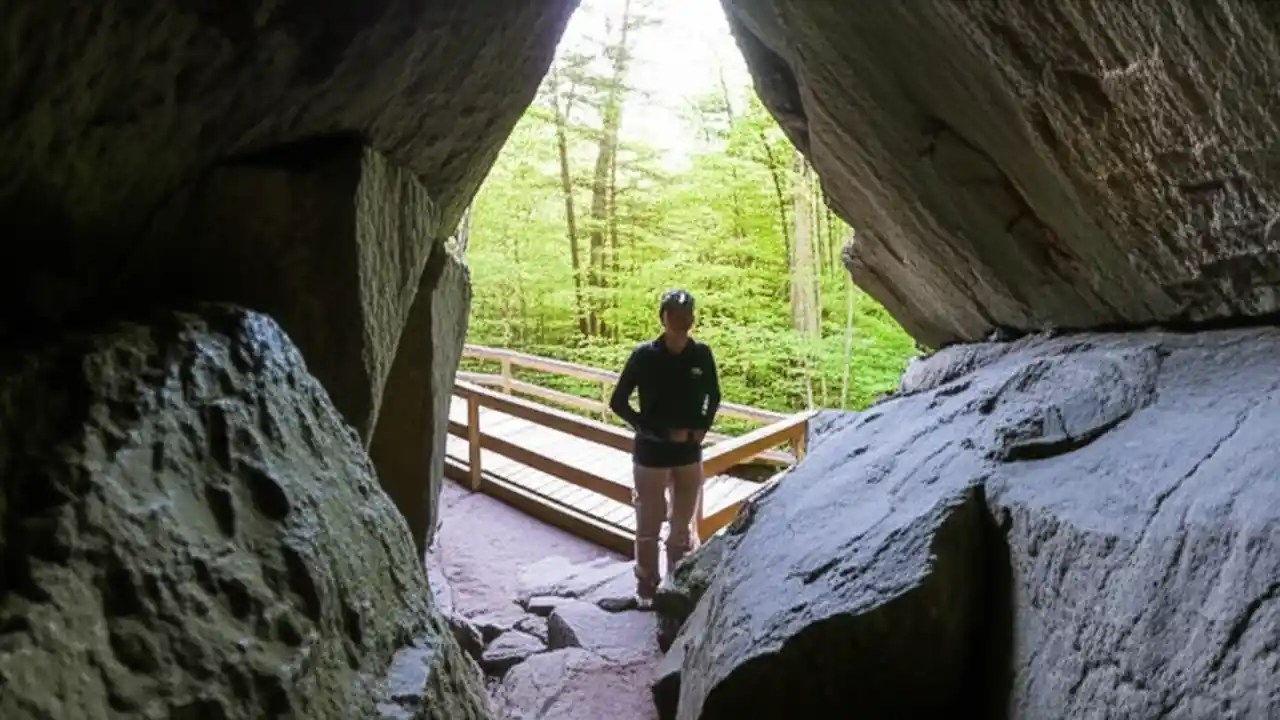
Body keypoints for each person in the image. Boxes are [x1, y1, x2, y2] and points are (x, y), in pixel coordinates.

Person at [609, 288, 720, 608]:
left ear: (692, 319)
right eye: (674, 314)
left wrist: (702, 427)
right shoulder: (645, 356)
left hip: (688, 455)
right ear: (663, 318)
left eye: (686, 315)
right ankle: (646, 590)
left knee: (682, 528)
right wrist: (653, 432)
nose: (681, 320)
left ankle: (676, 586)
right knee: (648, 524)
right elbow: (619, 402)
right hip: (651, 456)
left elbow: (712, 395)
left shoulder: (701, 355)